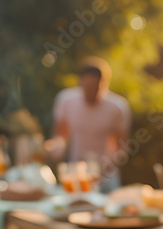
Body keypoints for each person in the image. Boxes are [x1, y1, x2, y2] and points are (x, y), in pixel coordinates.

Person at [46, 57, 131, 193]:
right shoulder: (66, 100)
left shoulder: (118, 107)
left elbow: (121, 145)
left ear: (105, 84)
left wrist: (107, 165)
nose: (91, 92)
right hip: (76, 174)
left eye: (95, 88)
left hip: (106, 177)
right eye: (87, 87)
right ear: (80, 83)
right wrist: (56, 147)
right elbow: (61, 135)